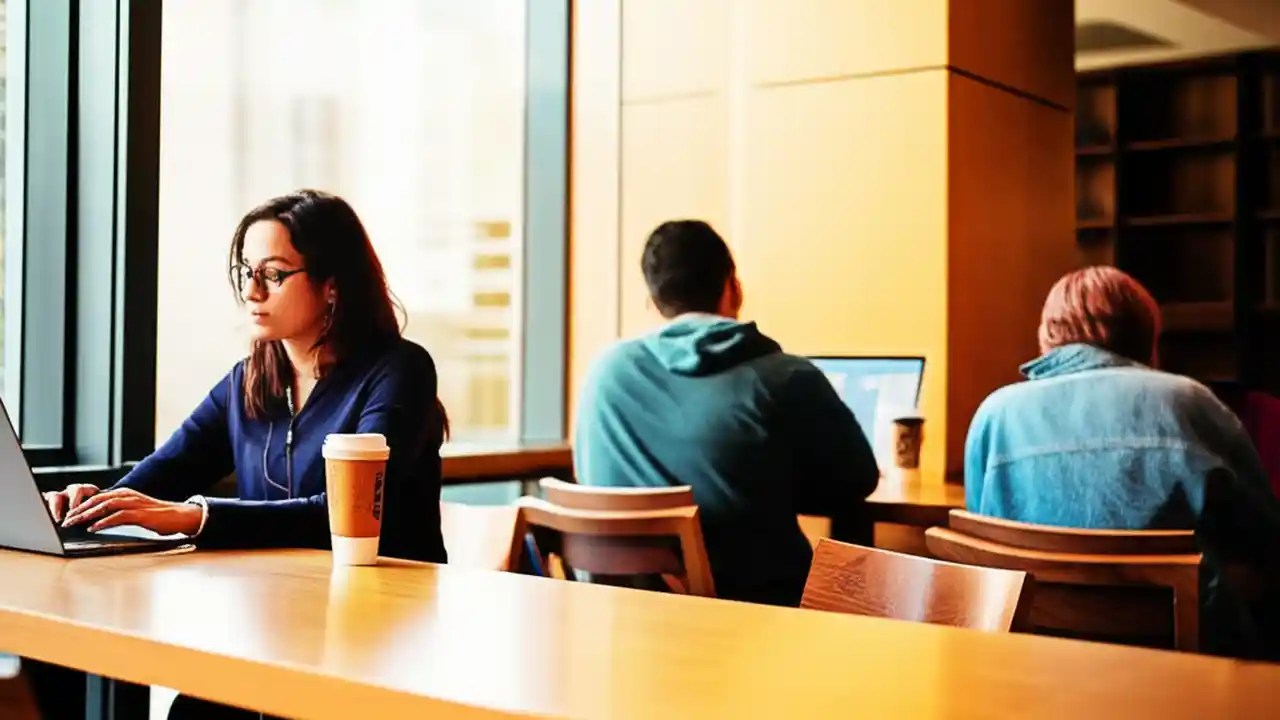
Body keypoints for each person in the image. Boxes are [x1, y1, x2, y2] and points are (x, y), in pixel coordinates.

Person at [37, 189, 449, 718]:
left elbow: (344, 515)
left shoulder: (398, 371)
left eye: (273, 274)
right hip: (279, 631)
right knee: (194, 712)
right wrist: (93, 505)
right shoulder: (249, 383)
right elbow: (161, 476)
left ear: (331, 286)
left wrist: (196, 517)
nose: (252, 291)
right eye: (245, 271)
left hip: (382, 639)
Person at [965, 266, 1280, 658]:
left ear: (1047, 338)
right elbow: (1266, 543)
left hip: (1032, 663)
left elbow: (985, 555)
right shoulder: (1188, 403)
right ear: (1147, 337)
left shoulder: (993, 416)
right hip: (1186, 671)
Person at [574, 220, 878, 607]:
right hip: (761, 628)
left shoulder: (605, 375)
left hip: (618, 629)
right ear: (734, 288)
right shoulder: (785, 377)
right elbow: (857, 480)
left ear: (653, 301)